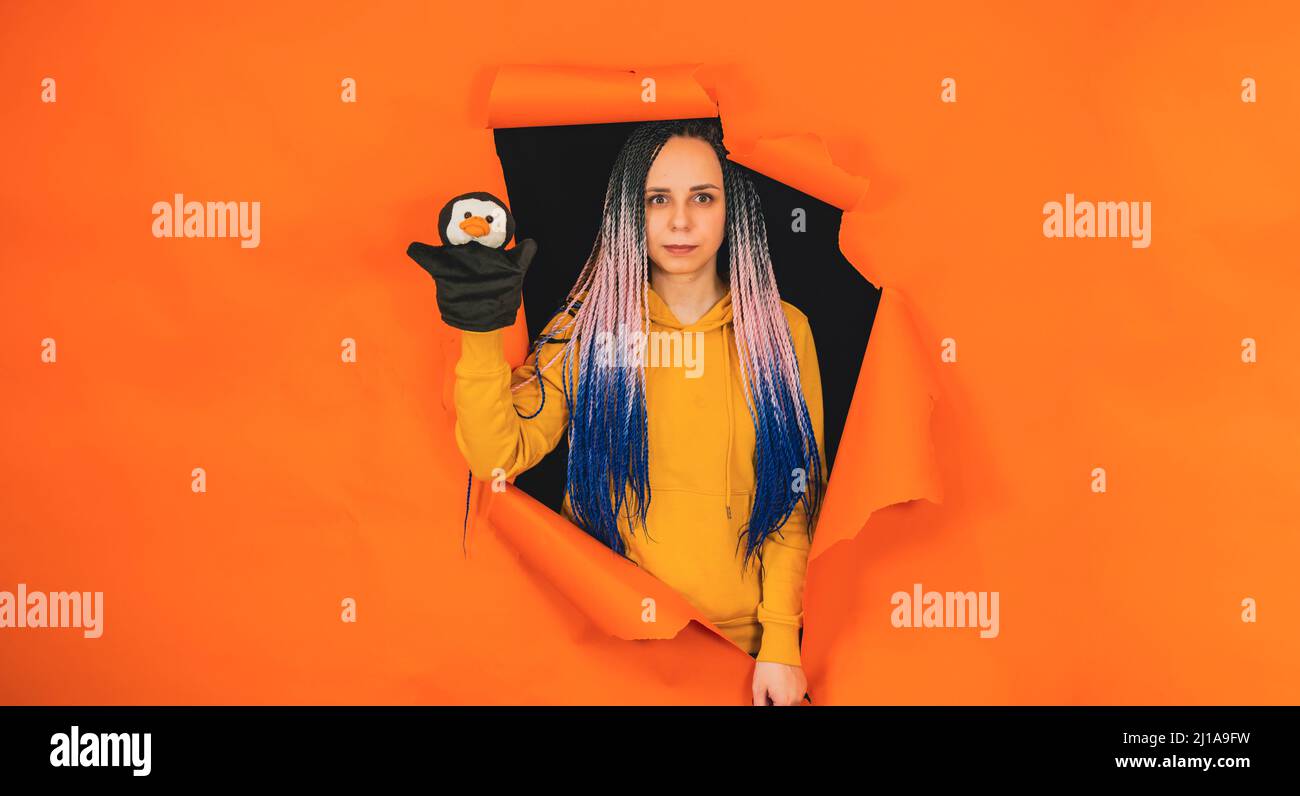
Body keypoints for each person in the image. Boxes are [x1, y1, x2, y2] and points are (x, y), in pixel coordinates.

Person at [451, 118, 827, 706]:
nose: (680, 221)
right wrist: (479, 331)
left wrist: (781, 645)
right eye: (657, 199)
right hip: (608, 647)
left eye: (702, 197)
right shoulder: (589, 327)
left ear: (734, 212)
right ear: (630, 212)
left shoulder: (780, 332)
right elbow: (498, 455)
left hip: (735, 656)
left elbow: (791, 503)